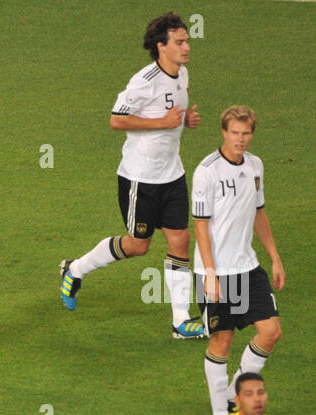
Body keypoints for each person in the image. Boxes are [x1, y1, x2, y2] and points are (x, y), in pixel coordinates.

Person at [58, 12, 206, 339]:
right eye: (180, 42)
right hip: (140, 178)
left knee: (180, 240)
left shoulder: (182, 75)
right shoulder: (144, 81)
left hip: (173, 175)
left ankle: (180, 321)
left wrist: (184, 122)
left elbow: (171, 117)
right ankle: (75, 269)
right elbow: (116, 120)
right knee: (139, 246)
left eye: (187, 41)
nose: (187, 47)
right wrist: (163, 123)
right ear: (161, 46)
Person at [193, 106, 284, 415]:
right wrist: (210, 273)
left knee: (271, 331)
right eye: (235, 133)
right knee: (222, 339)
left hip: (247, 267)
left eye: (246, 133)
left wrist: (274, 257)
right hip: (216, 271)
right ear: (224, 132)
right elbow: (201, 225)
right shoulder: (207, 170)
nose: (241, 139)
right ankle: (221, 414)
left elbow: (259, 213)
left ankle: (234, 393)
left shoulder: (256, 166)